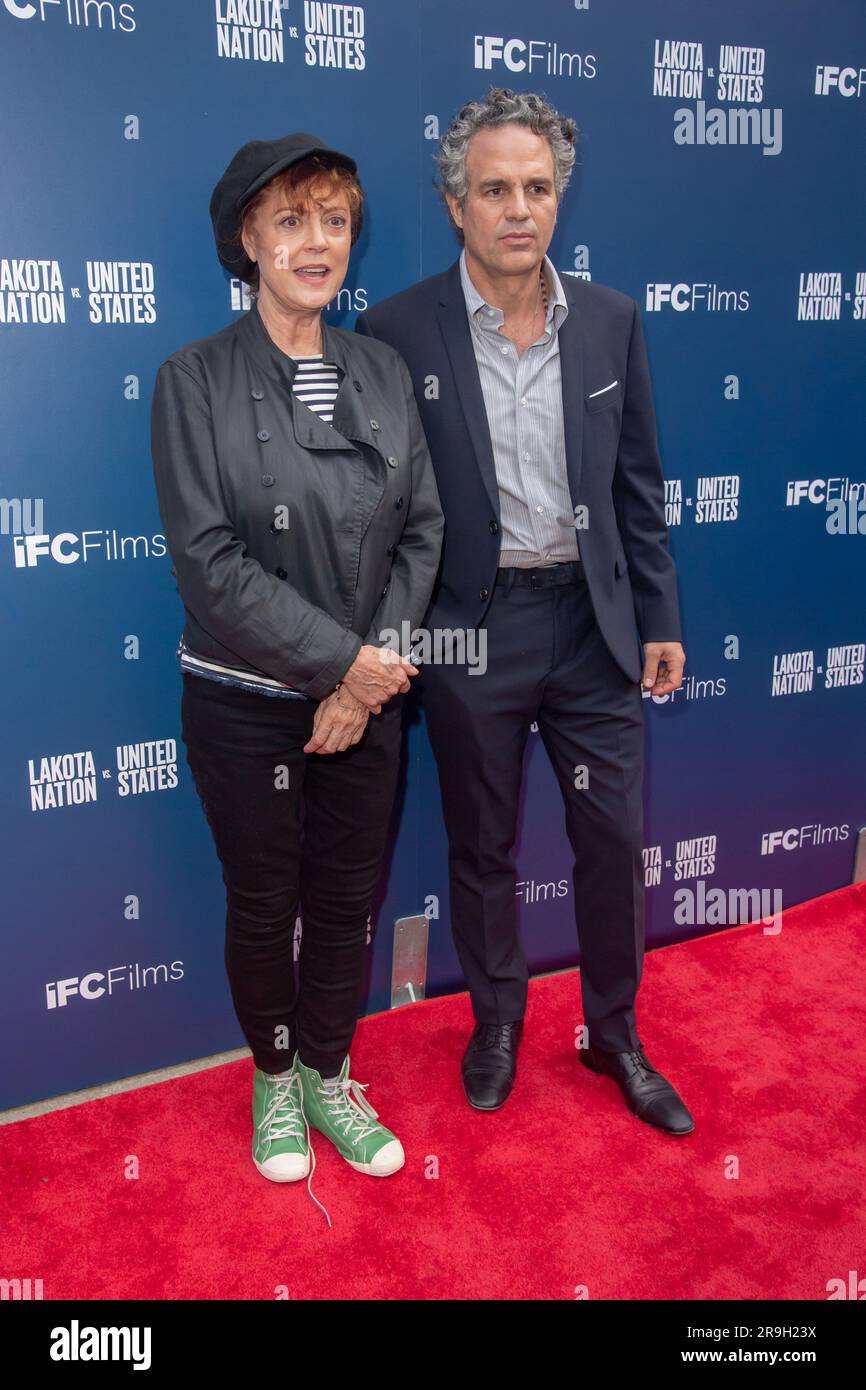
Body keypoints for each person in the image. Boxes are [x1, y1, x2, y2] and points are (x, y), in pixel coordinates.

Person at [356, 89, 693, 1134]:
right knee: (480, 843)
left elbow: (637, 486)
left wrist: (659, 616)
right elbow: (380, 506)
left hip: (592, 627)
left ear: (559, 198)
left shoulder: (607, 320)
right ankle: (494, 1021)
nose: (517, 208)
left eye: (536, 188)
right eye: (493, 189)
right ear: (455, 204)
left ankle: (612, 1033)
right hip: (469, 628)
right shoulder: (396, 329)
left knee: (611, 837)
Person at [150, 132, 444, 1206]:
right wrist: (342, 668)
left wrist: (368, 678)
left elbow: (423, 529)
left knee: (347, 898)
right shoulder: (194, 379)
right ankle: (275, 1079)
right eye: (290, 221)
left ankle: (330, 1073)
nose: (314, 242)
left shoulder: (377, 369)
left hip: (368, 701)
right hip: (244, 702)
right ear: (248, 239)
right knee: (265, 900)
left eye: (332, 220)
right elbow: (208, 561)